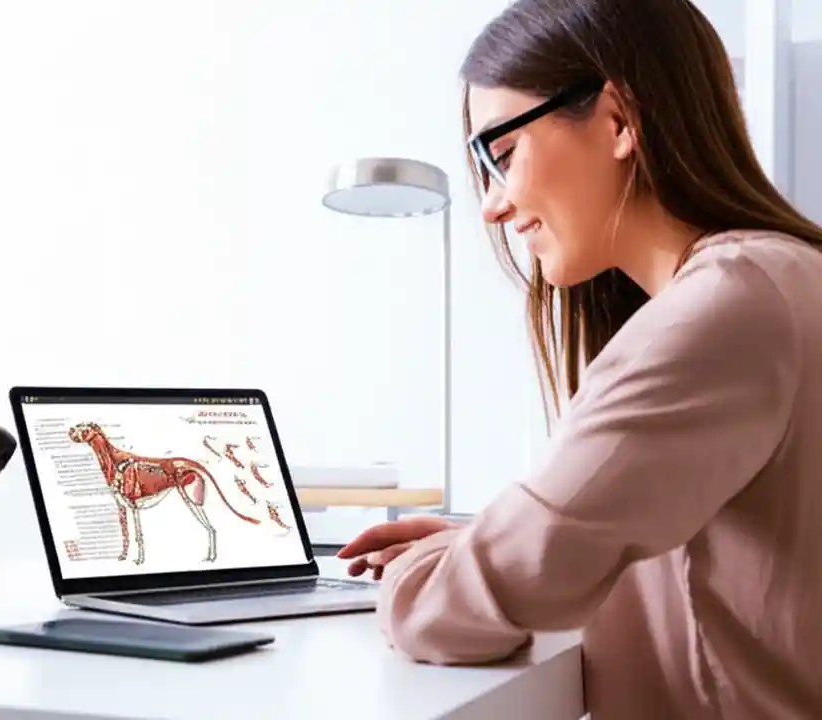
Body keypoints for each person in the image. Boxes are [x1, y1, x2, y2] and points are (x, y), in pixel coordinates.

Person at [335, 0, 822, 717]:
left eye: (501, 156)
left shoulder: (726, 303)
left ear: (619, 120)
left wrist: (427, 573)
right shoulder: (784, 277)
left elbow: (454, 614)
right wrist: (496, 541)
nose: (492, 208)